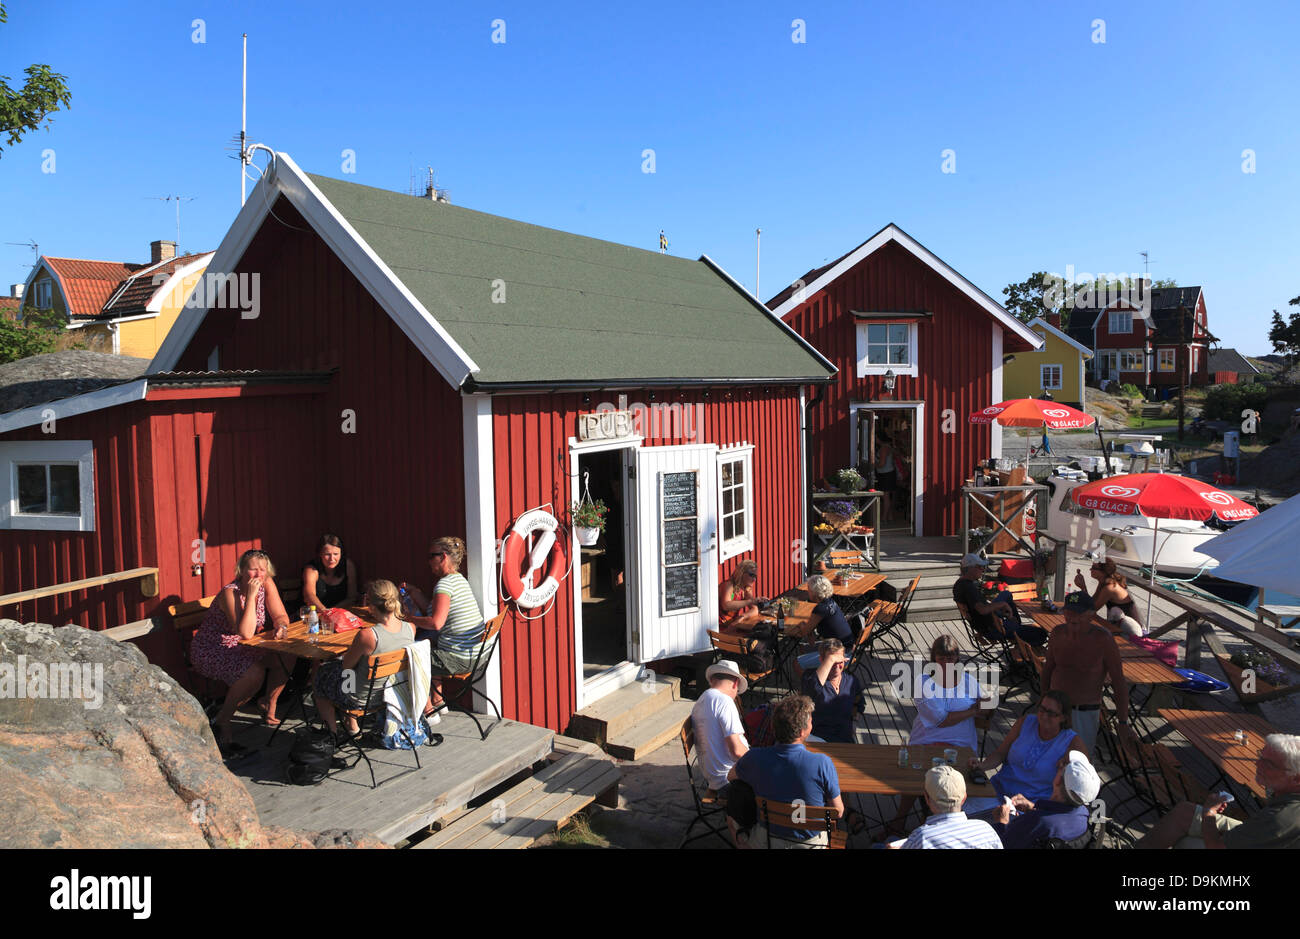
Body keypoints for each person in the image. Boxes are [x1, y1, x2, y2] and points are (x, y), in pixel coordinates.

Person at [190, 549, 291, 756]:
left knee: (287, 655)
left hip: (244, 646)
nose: (258, 575)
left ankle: (269, 703)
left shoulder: (268, 583)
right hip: (213, 648)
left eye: (262, 570)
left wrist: (281, 625)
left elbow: (281, 615)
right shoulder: (231, 592)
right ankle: (223, 721)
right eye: (253, 569)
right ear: (242, 571)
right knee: (254, 673)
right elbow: (245, 632)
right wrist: (252, 595)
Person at [888, 634, 989, 831]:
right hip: (926, 742)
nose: (946, 663)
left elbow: (988, 704)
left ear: (957, 658)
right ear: (934, 659)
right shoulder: (923, 682)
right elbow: (940, 720)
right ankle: (899, 821)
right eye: (941, 658)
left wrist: (983, 706)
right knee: (915, 774)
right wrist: (973, 709)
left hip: (962, 747)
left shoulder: (967, 680)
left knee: (943, 779)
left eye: (950, 658)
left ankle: (923, 827)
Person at [1138, 734, 1300, 849]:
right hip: (1268, 833)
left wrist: (1209, 813)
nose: (1257, 764)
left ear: (1296, 779)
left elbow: (1217, 846)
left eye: (1268, 764)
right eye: (1260, 756)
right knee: (1185, 812)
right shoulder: (1286, 797)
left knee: (1187, 843)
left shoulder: (1282, 817)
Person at [730, 694, 843, 848]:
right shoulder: (822, 763)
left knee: (731, 819)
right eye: (810, 721)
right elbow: (838, 810)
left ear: (774, 727)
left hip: (768, 840)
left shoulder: (754, 757)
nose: (812, 723)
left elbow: (731, 777)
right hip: (809, 844)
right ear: (803, 732)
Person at [313, 579, 416, 739]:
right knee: (351, 674)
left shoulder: (368, 635)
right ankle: (351, 725)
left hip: (360, 698)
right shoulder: (410, 628)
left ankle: (331, 735)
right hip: (391, 694)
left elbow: (346, 667)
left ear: (371, 607)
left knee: (322, 675)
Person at [400, 536, 486, 720]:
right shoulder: (458, 579)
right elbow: (434, 610)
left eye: (432, 556)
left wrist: (409, 619)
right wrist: (415, 593)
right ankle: (438, 702)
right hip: (477, 654)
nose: (428, 560)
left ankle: (429, 713)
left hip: (461, 659)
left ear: (444, 557)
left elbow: (436, 623)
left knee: (413, 657)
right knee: (428, 647)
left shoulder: (444, 585)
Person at [1041, 590, 1134, 754]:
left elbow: (1119, 682)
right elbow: (1048, 669)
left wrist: (1123, 722)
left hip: (1083, 713)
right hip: (1053, 709)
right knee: (1046, 759)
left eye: (1078, 613)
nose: (1072, 617)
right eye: (1069, 612)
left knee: (1078, 764)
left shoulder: (1103, 640)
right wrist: (1042, 702)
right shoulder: (1057, 633)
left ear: (1091, 614)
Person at [970, 690, 1088, 807]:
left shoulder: (1073, 743)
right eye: (1042, 709)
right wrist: (982, 765)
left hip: (1030, 806)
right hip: (998, 791)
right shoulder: (1025, 722)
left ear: (1063, 718)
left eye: (1051, 713)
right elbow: (1001, 753)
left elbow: (1079, 785)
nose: (1044, 715)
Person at [690, 660, 751, 844]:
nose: (735, 695)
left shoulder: (701, 700)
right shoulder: (724, 701)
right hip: (729, 780)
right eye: (737, 692)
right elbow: (737, 751)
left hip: (714, 776)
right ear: (735, 684)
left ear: (712, 680)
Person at [991, 751, 1101, 849]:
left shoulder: (1038, 822)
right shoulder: (1083, 814)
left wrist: (1001, 822)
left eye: (1063, 766)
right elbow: (1059, 821)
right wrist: (1034, 808)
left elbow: (1001, 844)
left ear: (1058, 781)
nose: (1059, 765)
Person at [896, 764, 1002, 849]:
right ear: (964, 798)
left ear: (927, 798)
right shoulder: (985, 829)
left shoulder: (921, 838)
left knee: (889, 840)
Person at [952, 553, 1048, 646]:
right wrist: (1001, 605)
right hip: (993, 629)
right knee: (1042, 634)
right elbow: (983, 610)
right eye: (979, 567)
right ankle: (1016, 629)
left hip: (986, 623)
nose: (982, 569)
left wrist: (999, 608)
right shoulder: (969, 588)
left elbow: (980, 609)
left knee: (1006, 594)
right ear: (970, 569)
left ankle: (1014, 622)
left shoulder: (960, 584)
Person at [800, 639, 863, 743]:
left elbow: (859, 704)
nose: (837, 666)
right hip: (818, 738)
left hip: (845, 738)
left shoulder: (851, 681)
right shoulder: (809, 678)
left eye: (840, 661)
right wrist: (831, 659)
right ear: (822, 661)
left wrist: (853, 726)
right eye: (833, 662)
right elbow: (813, 689)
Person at [795, 575, 856, 672]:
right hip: (847, 647)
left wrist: (803, 625)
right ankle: (815, 673)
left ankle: (813, 686)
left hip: (841, 653)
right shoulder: (830, 602)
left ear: (814, 592)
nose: (808, 592)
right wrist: (809, 631)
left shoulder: (820, 609)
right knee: (803, 647)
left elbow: (803, 632)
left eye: (809, 590)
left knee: (797, 664)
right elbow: (811, 635)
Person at [1074, 558, 1145, 633]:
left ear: (1104, 572)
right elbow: (1091, 603)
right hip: (1120, 625)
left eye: (1094, 568)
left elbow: (1091, 610)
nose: (1090, 569)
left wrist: (1083, 587)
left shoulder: (1110, 588)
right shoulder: (1104, 582)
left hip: (1130, 631)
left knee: (1087, 618)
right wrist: (1083, 588)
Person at [302, 533, 360, 611]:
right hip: (313, 614)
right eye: (327, 554)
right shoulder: (311, 569)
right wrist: (325, 611)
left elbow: (352, 597)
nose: (332, 559)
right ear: (320, 554)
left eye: (336, 554)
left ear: (341, 554)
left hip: (338, 612)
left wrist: (332, 611)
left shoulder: (348, 566)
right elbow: (309, 596)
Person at [719, 560, 765, 628]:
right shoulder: (729, 585)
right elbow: (726, 605)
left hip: (731, 625)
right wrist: (751, 601)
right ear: (741, 573)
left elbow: (755, 610)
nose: (754, 579)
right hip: (717, 627)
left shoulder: (746, 588)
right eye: (751, 575)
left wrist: (742, 617)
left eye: (755, 576)